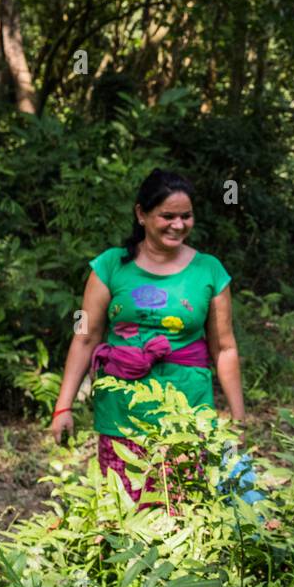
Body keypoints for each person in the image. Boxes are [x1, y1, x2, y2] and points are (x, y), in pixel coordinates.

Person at [49, 168, 247, 504]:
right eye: (167, 216)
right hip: (121, 408)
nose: (178, 224)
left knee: (183, 510)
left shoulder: (210, 271)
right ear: (141, 214)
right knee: (124, 508)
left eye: (186, 216)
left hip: (187, 407)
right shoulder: (110, 267)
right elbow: (84, 336)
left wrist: (238, 418)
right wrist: (62, 406)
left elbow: (225, 348)